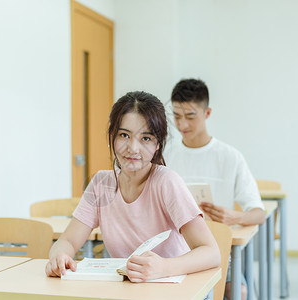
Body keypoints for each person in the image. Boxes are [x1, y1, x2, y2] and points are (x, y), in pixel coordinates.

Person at [46, 91, 220, 293]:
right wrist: (60, 256)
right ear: (112, 136)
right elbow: (67, 241)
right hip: (126, 291)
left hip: (173, 291)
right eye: (124, 135)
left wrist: (164, 267)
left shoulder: (166, 182)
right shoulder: (102, 183)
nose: (133, 148)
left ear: (157, 145)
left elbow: (211, 252)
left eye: (145, 138)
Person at [165, 79, 265, 300]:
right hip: (174, 252)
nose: (183, 124)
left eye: (190, 116)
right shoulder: (166, 155)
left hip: (218, 253)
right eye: (177, 116)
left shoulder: (230, 157)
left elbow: (259, 214)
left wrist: (234, 216)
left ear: (207, 113)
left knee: (237, 292)